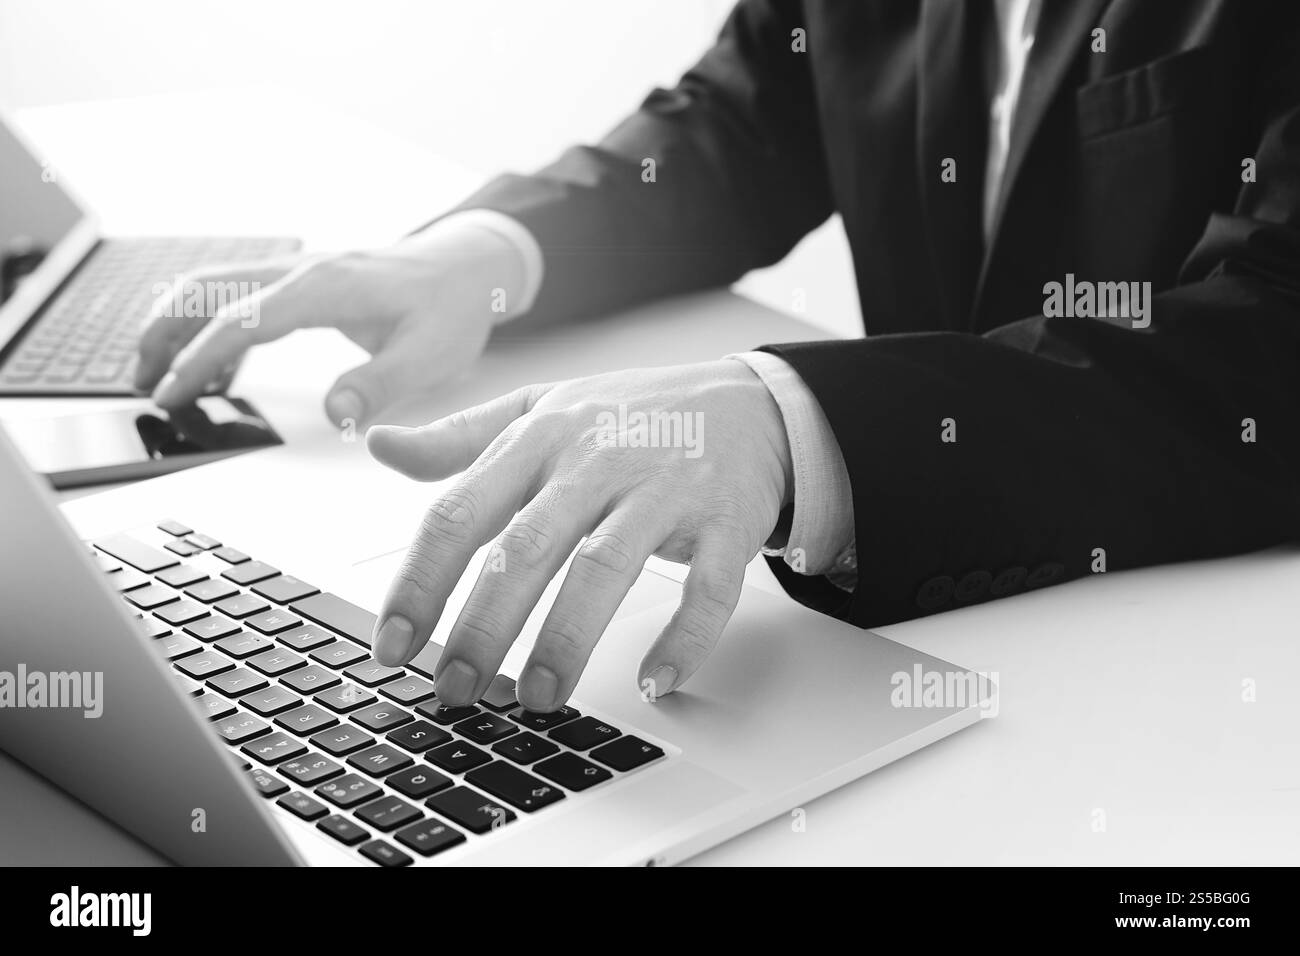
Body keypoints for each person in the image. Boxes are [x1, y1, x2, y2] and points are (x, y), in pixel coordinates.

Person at [134, 0, 1300, 714]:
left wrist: (795, 419)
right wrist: (494, 253)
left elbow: (1272, 328)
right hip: (917, 652)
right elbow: (739, 122)